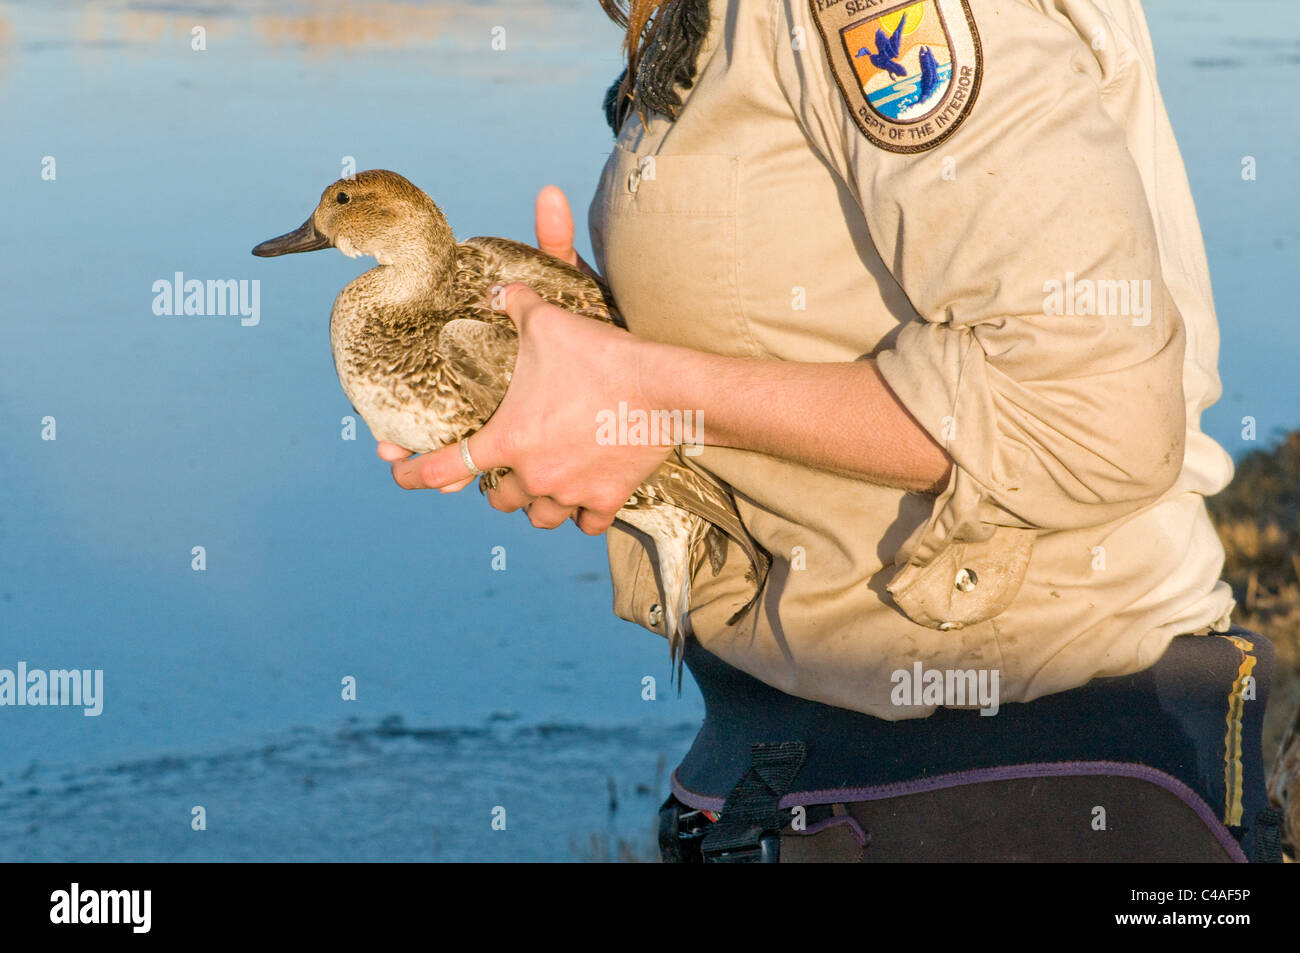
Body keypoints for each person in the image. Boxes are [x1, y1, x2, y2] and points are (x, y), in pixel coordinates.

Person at [380, 0, 1280, 861]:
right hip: (805, 760)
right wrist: (573, 365)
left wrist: (648, 389)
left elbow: (1095, 414)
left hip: (1014, 774)